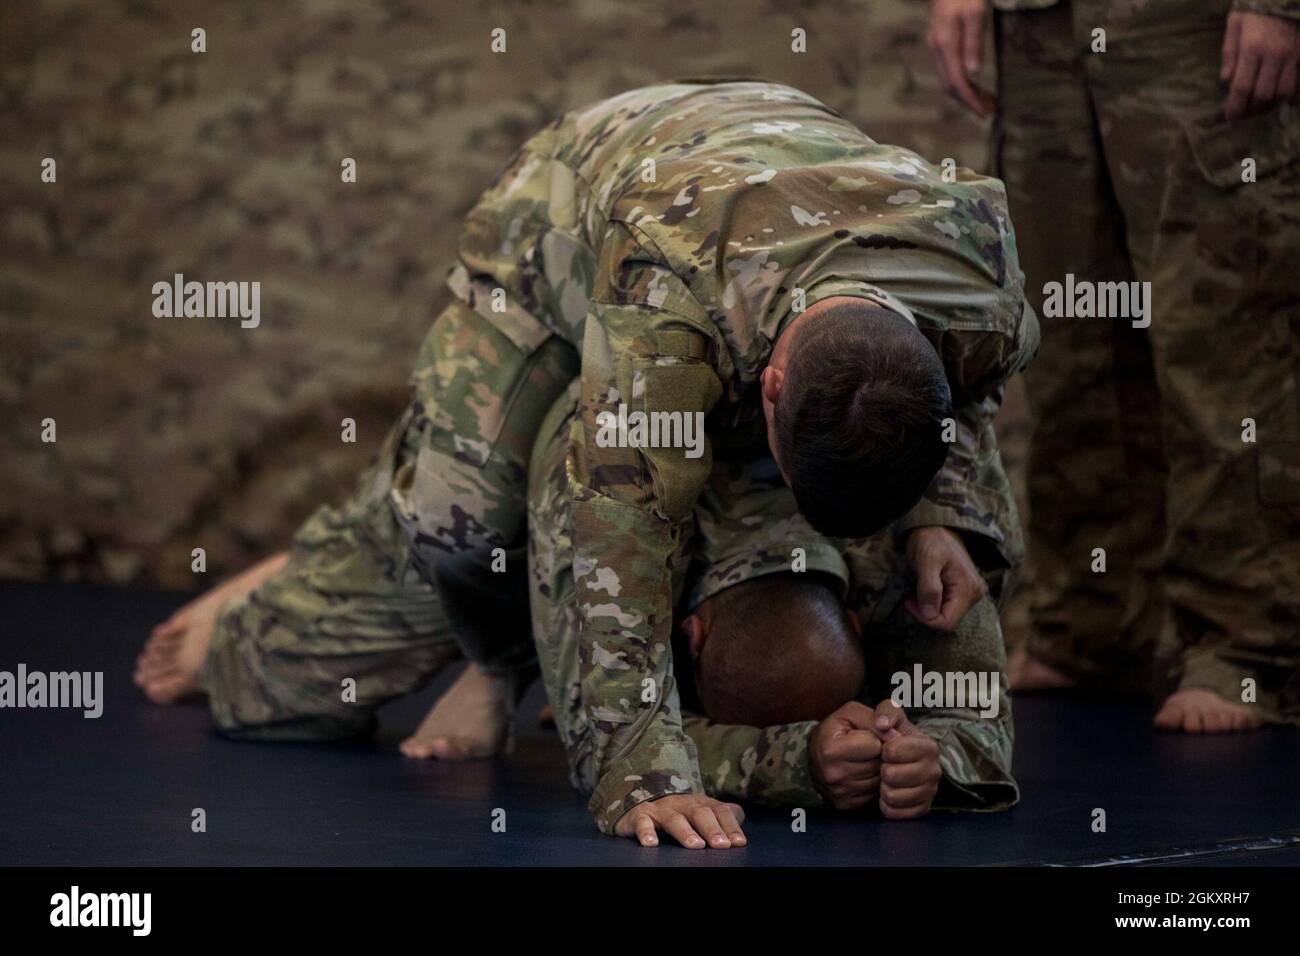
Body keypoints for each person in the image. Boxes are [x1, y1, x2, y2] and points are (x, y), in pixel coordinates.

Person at [136, 78, 1035, 844]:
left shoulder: (981, 275)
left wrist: (943, 517)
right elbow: (618, 547)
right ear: (767, 395)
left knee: (895, 545)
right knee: (455, 527)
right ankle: (431, 619)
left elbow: (966, 401)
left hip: (772, 231)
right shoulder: (668, 301)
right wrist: (647, 779)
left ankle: (486, 631)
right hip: (561, 239)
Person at [926, 0, 1300, 731]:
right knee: (1073, 339)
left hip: (1188, 27)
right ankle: (1091, 624)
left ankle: (1251, 647)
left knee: (1227, 338)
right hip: (1036, 27)